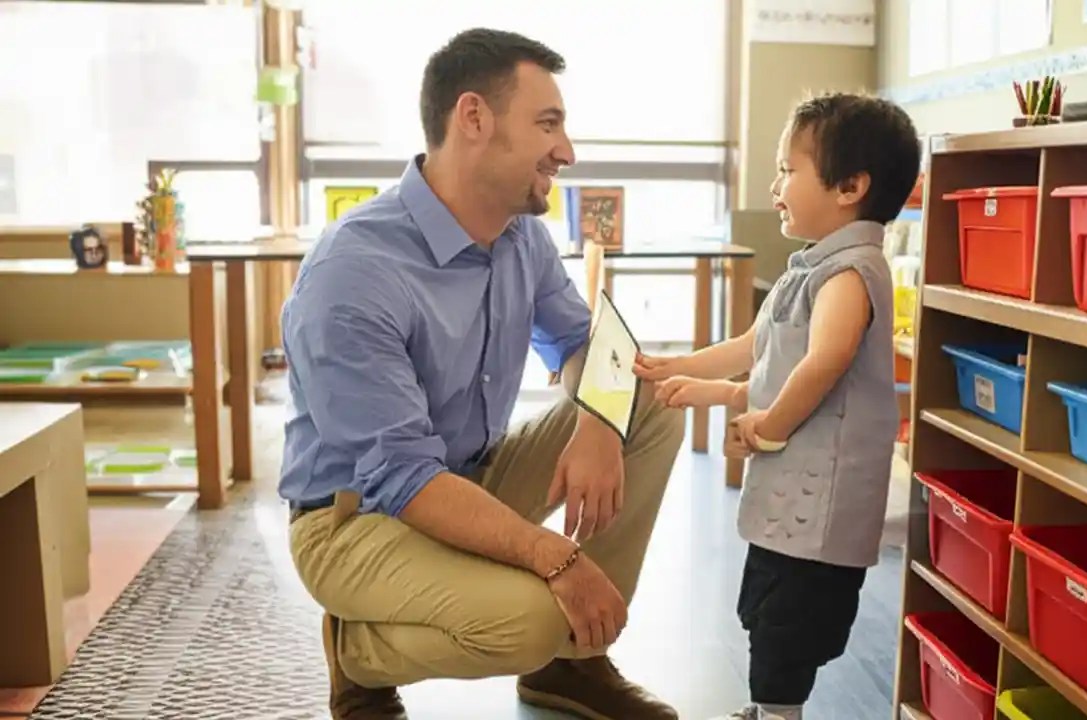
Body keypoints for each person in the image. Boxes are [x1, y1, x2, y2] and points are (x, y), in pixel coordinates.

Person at [278, 28, 684, 720]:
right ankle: (357, 655)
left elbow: (594, 343)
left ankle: (574, 665)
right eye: (547, 124)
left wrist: (595, 423)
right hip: (357, 519)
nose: (567, 150)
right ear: (473, 118)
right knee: (530, 620)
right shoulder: (354, 273)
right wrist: (557, 558)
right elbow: (404, 477)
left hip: (468, 474)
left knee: (648, 399)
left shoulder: (520, 234)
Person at [635, 92, 921, 720]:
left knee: (791, 624)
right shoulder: (807, 271)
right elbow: (756, 348)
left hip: (820, 507)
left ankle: (777, 713)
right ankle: (768, 709)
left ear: (849, 186)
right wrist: (680, 369)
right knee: (767, 611)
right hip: (793, 499)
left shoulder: (851, 273)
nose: (776, 185)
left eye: (788, 170)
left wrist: (767, 425)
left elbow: (825, 362)